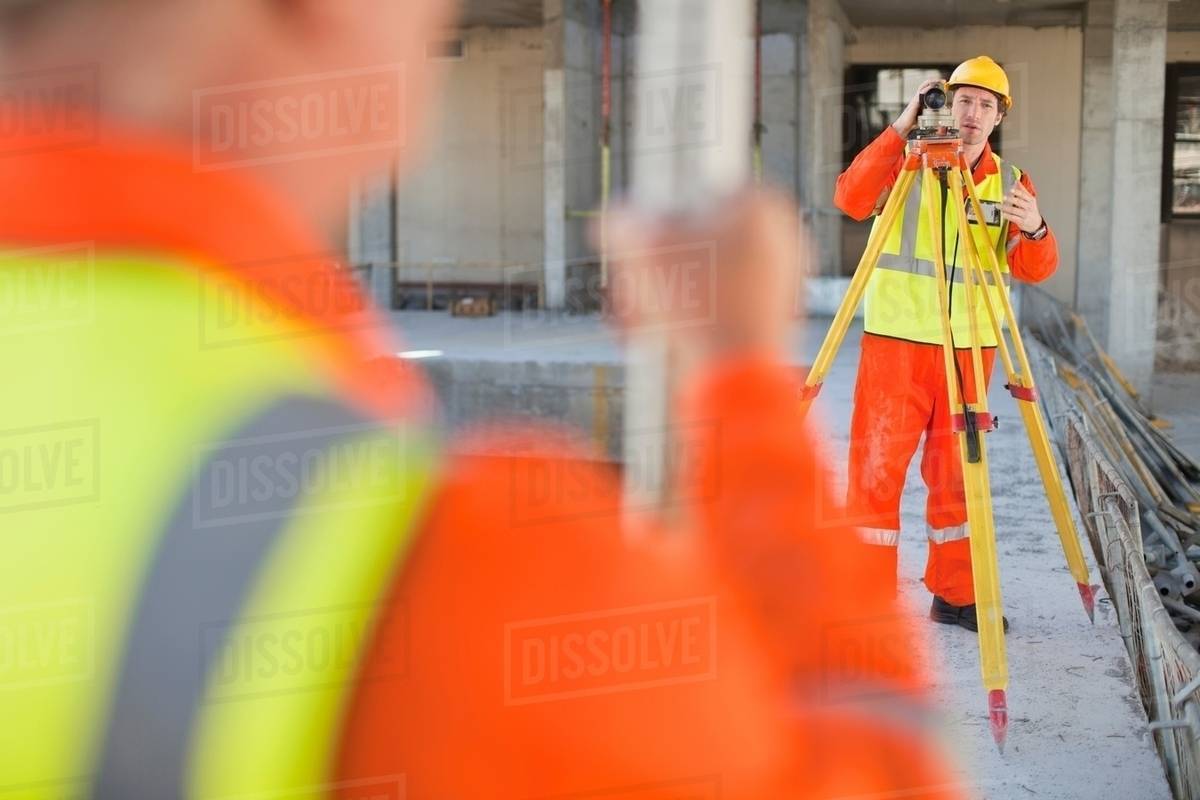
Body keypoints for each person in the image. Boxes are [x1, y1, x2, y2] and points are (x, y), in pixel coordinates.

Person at [0, 1, 963, 798]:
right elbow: (879, 772)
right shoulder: (454, 562)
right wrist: (740, 370)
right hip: (891, 358)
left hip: (960, 362)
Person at [833, 56, 1058, 632]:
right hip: (897, 345)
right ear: (945, 103)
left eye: (986, 105)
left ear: (999, 116)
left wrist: (1035, 227)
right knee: (876, 470)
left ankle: (955, 593)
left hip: (968, 352)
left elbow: (1034, 270)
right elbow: (852, 199)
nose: (973, 113)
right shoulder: (904, 163)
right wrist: (902, 127)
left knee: (959, 476)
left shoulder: (1010, 183)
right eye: (964, 101)